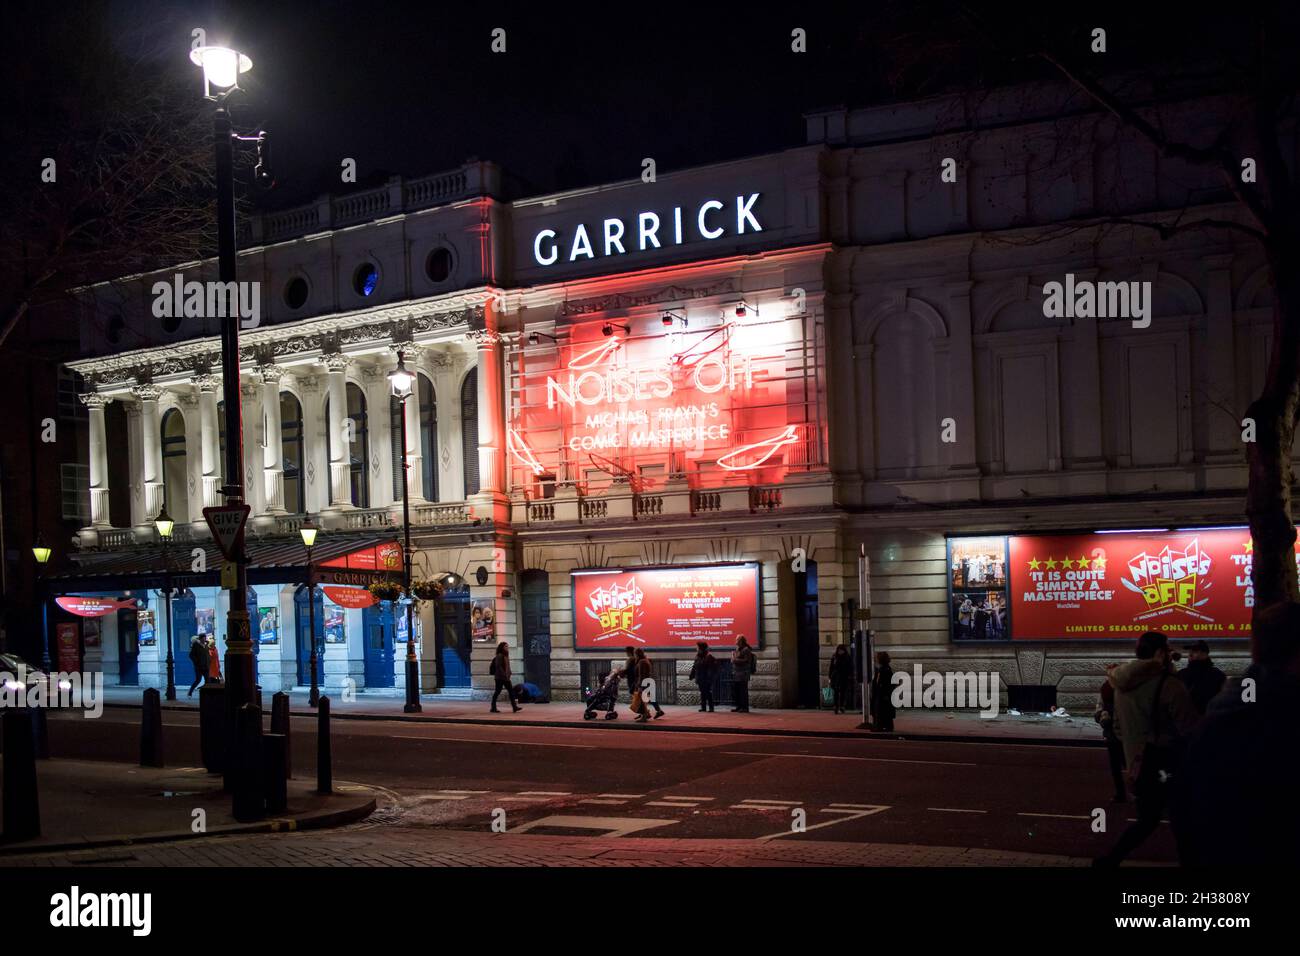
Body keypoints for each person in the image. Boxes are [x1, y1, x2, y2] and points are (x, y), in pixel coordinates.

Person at [1172, 601, 1300, 865]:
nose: (1191, 656)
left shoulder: (1227, 706)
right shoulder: (1275, 714)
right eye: (1190, 653)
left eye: (1195, 652)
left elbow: (1187, 806)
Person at [1094, 631, 1197, 867]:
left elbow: (1118, 728)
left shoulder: (1121, 685)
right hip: (1167, 763)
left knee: (1148, 820)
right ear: (1160, 653)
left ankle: (1110, 861)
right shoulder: (1169, 685)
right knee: (1183, 820)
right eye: (1168, 651)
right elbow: (1191, 728)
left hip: (1139, 763)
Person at [1094, 677, 1127, 802]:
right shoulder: (1106, 689)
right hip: (1113, 735)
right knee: (1117, 766)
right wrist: (1101, 715)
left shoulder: (1124, 691)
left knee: (1125, 765)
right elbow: (1098, 711)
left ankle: (1127, 792)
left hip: (1121, 735)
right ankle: (1121, 793)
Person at [1177, 640, 1226, 715]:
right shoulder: (1181, 674)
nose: (1190, 654)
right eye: (1190, 651)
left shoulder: (1217, 675)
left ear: (1205, 654)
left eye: (1195, 651)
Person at [489, 641, 521, 713]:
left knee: (510, 691)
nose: (507, 648)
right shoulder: (499, 655)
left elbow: (506, 666)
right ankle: (493, 707)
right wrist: (504, 674)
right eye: (506, 646)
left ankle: (514, 707)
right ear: (502, 647)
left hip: (505, 677)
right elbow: (498, 666)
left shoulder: (505, 655)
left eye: (507, 646)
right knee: (498, 692)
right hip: (500, 677)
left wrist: (509, 672)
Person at [634, 648, 664, 719]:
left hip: (645, 682)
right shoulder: (645, 660)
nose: (635, 656)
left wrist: (640, 684)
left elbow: (642, 674)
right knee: (650, 698)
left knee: (643, 699)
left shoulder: (642, 661)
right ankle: (657, 711)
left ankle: (644, 714)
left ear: (637, 654)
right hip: (648, 681)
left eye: (635, 654)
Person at [688, 641, 717, 712]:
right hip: (700, 677)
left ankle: (711, 707)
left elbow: (710, 669)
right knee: (702, 692)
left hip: (706, 678)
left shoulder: (708, 656)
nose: (696, 649)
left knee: (707, 692)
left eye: (697, 647)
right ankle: (703, 707)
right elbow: (694, 666)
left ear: (701, 648)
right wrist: (692, 675)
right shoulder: (697, 656)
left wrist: (709, 678)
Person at [870, 651, 895, 731]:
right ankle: (885, 726)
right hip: (883, 694)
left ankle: (879, 726)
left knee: (881, 710)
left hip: (882, 694)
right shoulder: (885, 669)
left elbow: (881, 683)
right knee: (884, 711)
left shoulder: (883, 670)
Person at [730, 635, 755, 713]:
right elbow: (734, 659)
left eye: (737, 639)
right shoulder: (738, 649)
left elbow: (747, 661)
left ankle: (744, 707)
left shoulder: (746, 649)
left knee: (743, 691)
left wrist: (735, 660)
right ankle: (739, 706)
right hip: (736, 673)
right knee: (737, 691)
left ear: (741, 641)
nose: (735, 641)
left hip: (743, 673)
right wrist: (734, 658)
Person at [828, 644, 854, 714]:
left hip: (844, 676)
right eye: (839, 650)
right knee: (836, 692)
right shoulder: (834, 657)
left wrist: (850, 676)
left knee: (843, 692)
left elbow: (850, 667)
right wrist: (829, 677)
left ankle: (842, 706)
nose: (840, 652)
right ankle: (836, 706)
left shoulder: (847, 657)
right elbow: (831, 667)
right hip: (836, 677)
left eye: (841, 650)